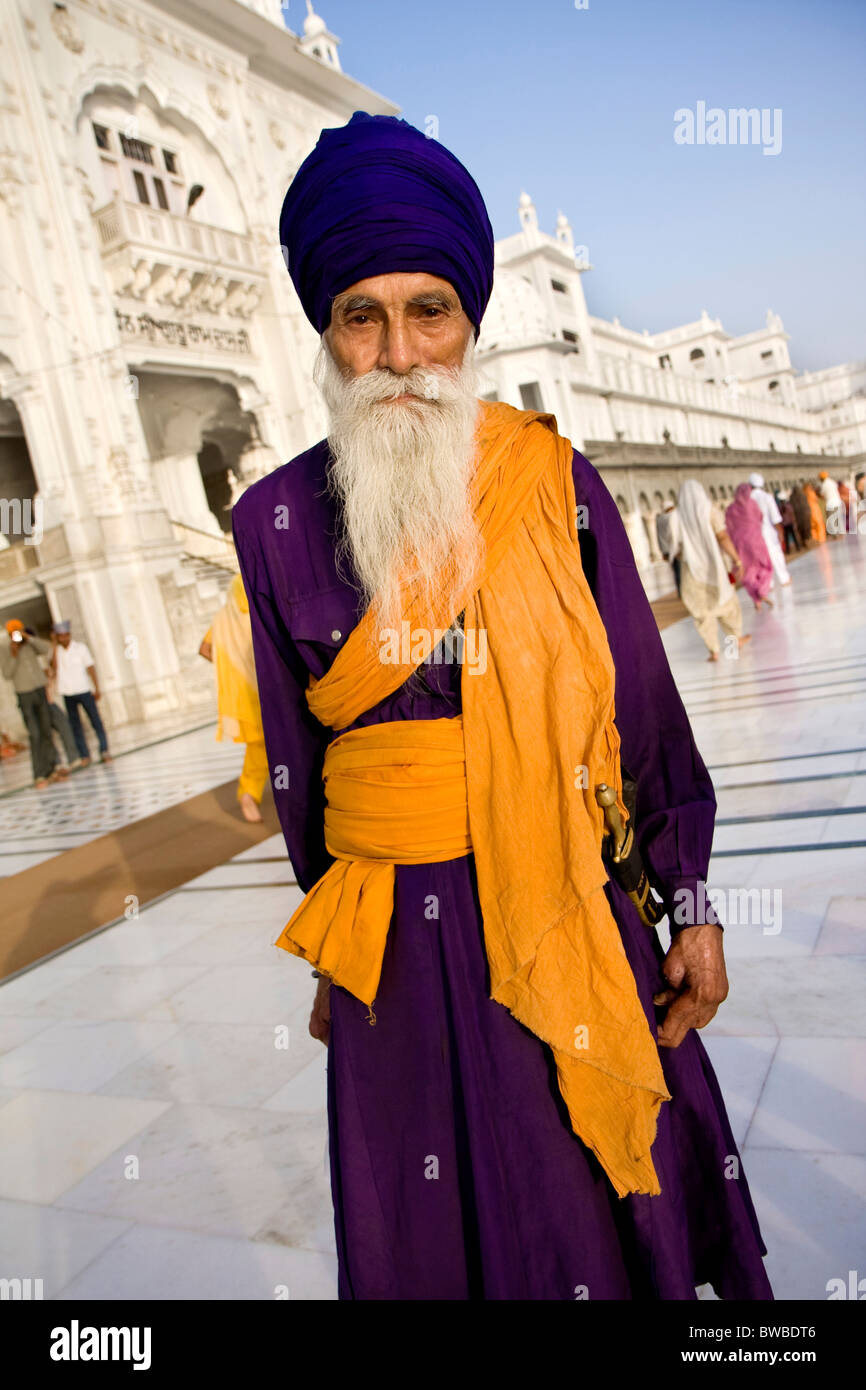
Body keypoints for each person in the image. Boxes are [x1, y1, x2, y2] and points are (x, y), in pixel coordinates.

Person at [233, 111, 772, 1301]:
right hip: (394, 959)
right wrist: (335, 948)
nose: (399, 349)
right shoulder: (272, 524)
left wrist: (689, 906)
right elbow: (297, 773)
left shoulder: (549, 481)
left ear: (467, 322)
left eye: (428, 309)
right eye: (360, 316)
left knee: (590, 1210)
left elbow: (642, 720)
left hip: (566, 912)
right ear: (328, 338)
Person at [199, 573, 267, 823]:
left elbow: (204, 649)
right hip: (266, 689)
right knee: (276, 739)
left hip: (241, 692)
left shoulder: (222, 618)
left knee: (259, 744)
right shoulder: (259, 615)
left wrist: (230, 667)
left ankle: (249, 793)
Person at [668, 480, 751, 662]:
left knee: (701, 612)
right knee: (727, 605)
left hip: (691, 571)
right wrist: (737, 560)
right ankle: (734, 640)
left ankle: (713, 650)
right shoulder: (709, 510)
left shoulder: (676, 517)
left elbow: (675, 547)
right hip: (715, 567)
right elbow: (722, 537)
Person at [0, 619, 67, 787]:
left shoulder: (29, 643)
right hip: (24, 694)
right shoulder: (4, 648)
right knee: (35, 734)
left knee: (46, 730)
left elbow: (48, 648)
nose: (16, 635)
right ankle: (39, 774)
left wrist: (28, 639)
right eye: (13, 633)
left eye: (18, 631)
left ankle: (53, 767)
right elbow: (7, 674)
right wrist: (14, 654)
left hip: (39, 689)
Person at [51, 620, 112, 765]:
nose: (63, 638)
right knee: (75, 725)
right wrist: (53, 645)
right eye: (60, 636)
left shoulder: (80, 648)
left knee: (95, 720)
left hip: (83, 689)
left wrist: (97, 688)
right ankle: (84, 754)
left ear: (69, 635)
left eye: (66, 635)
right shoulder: (56, 652)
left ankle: (104, 749)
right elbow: (53, 668)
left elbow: (90, 668)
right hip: (67, 692)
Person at [725, 484, 774, 609]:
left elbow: (728, 528)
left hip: (740, 544)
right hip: (756, 541)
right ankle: (762, 591)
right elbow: (760, 517)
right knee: (765, 566)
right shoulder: (752, 504)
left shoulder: (730, 509)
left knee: (747, 571)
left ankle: (756, 599)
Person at [747, 472, 791, 587]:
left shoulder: (748, 499)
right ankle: (784, 579)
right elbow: (775, 518)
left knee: (761, 559)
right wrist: (780, 532)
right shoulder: (767, 497)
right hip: (768, 532)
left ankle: (768, 584)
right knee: (776, 555)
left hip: (754, 534)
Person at [655, 503, 681, 594]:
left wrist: (663, 551)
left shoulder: (659, 519)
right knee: (680, 569)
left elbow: (659, 536)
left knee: (675, 570)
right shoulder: (673, 516)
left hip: (666, 549)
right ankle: (682, 591)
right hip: (676, 548)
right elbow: (674, 534)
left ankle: (679, 590)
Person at [818, 471, 843, 539]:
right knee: (839, 518)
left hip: (831, 503)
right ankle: (841, 533)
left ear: (821, 478)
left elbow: (822, 495)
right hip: (838, 501)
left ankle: (835, 534)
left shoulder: (824, 484)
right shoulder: (832, 482)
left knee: (831, 519)